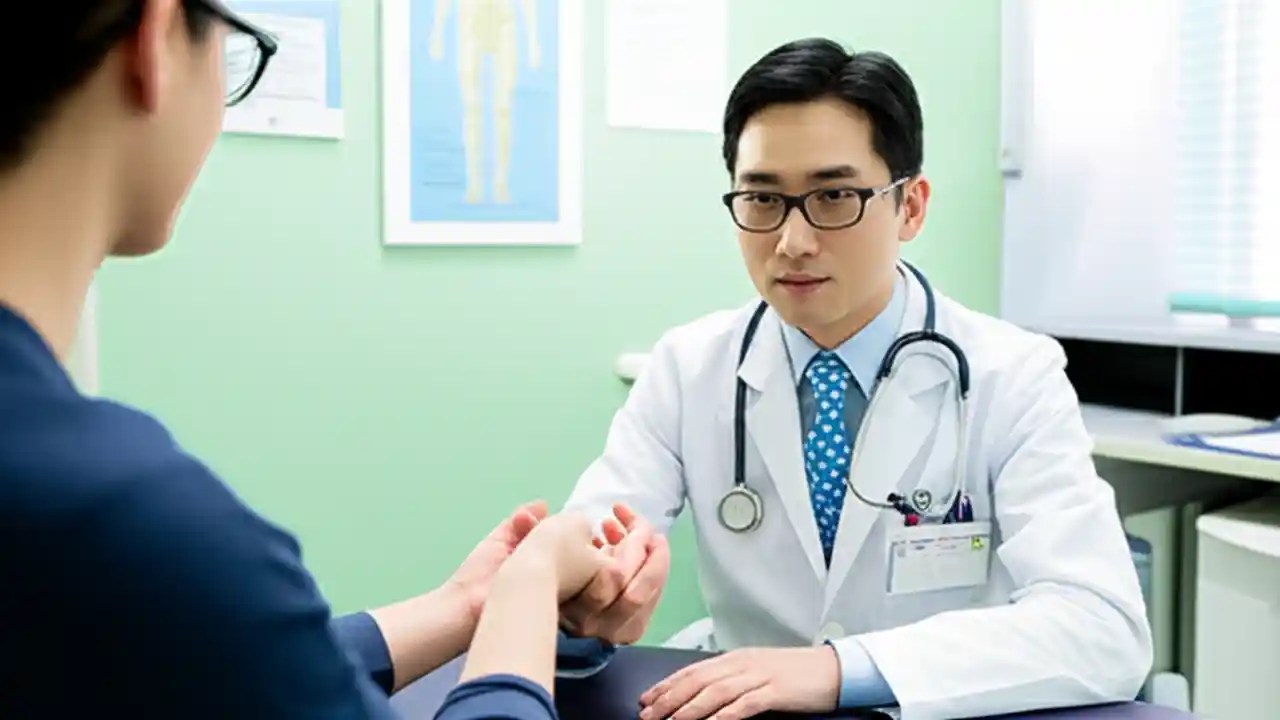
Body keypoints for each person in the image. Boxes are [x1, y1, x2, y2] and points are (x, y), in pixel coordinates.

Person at [0, 1, 659, 717]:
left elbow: (215, 668)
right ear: (156, 41)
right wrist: (528, 589)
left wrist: (467, 605)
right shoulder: (125, 523)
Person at [564, 38, 1154, 720]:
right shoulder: (688, 370)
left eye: (834, 196)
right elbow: (588, 544)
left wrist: (840, 670)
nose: (792, 241)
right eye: (762, 199)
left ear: (911, 206)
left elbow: (1103, 627)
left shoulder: (1013, 377)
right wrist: (588, 596)